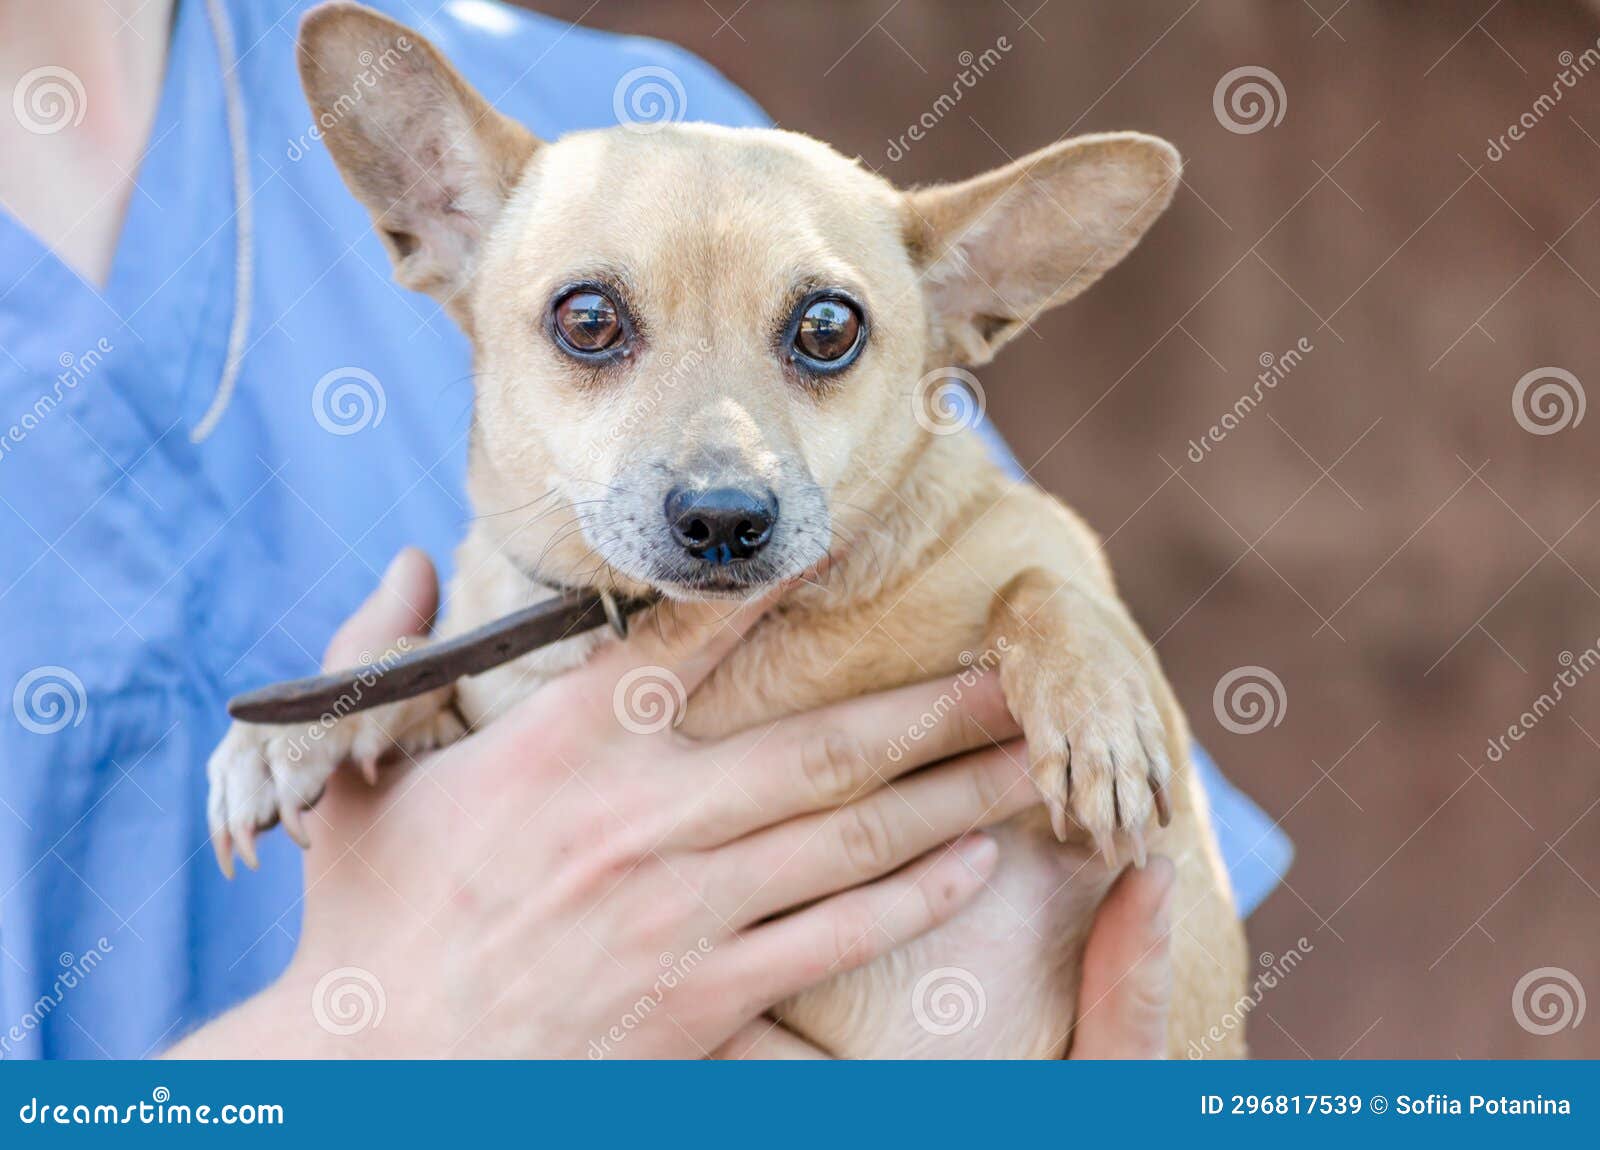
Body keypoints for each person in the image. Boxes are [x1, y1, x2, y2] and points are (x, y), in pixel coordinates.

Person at [0, 0, 1288, 1059]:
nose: (721, 479)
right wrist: (371, 1029)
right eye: (594, 330)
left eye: (819, 336)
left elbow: (1161, 919)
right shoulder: (528, 197)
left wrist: (1063, 633)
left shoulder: (678, 131)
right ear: (435, 226)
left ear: (958, 310)